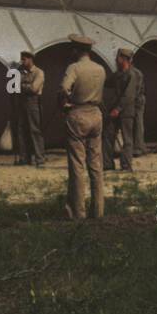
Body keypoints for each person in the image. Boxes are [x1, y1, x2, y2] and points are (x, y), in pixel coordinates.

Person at [60, 35, 107, 219]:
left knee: (77, 165)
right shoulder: (100, 69)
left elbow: (64, 87)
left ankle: (78, 212)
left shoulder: (74, 68)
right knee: (96, 164)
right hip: (96, 114)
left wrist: (67, 101)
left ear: (76, 50)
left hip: (78, 114)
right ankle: (98, 210)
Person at [102, 48, 141, 172]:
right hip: (115, 110)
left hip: (126, 111)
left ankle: (125, 165)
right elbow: (107, 83)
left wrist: (118, 109)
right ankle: (107, 164)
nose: (115, 60)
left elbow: (129, 95)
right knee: (108, 135)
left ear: (123, 59)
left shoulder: (132, 75)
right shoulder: (118, 74)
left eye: (117, 58)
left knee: (127, 139)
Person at [16, 51, 45, 167]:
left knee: (35, 130)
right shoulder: (20, 71)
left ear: (31, 59)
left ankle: (40, 159)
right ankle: (24, 158)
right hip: (22, 102)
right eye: (22, 59)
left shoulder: (39, 72)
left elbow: (34, 89)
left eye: (24, 59)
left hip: (33, 102)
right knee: (21, 130)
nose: (22, 61)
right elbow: (13, 87)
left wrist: (22, 86)